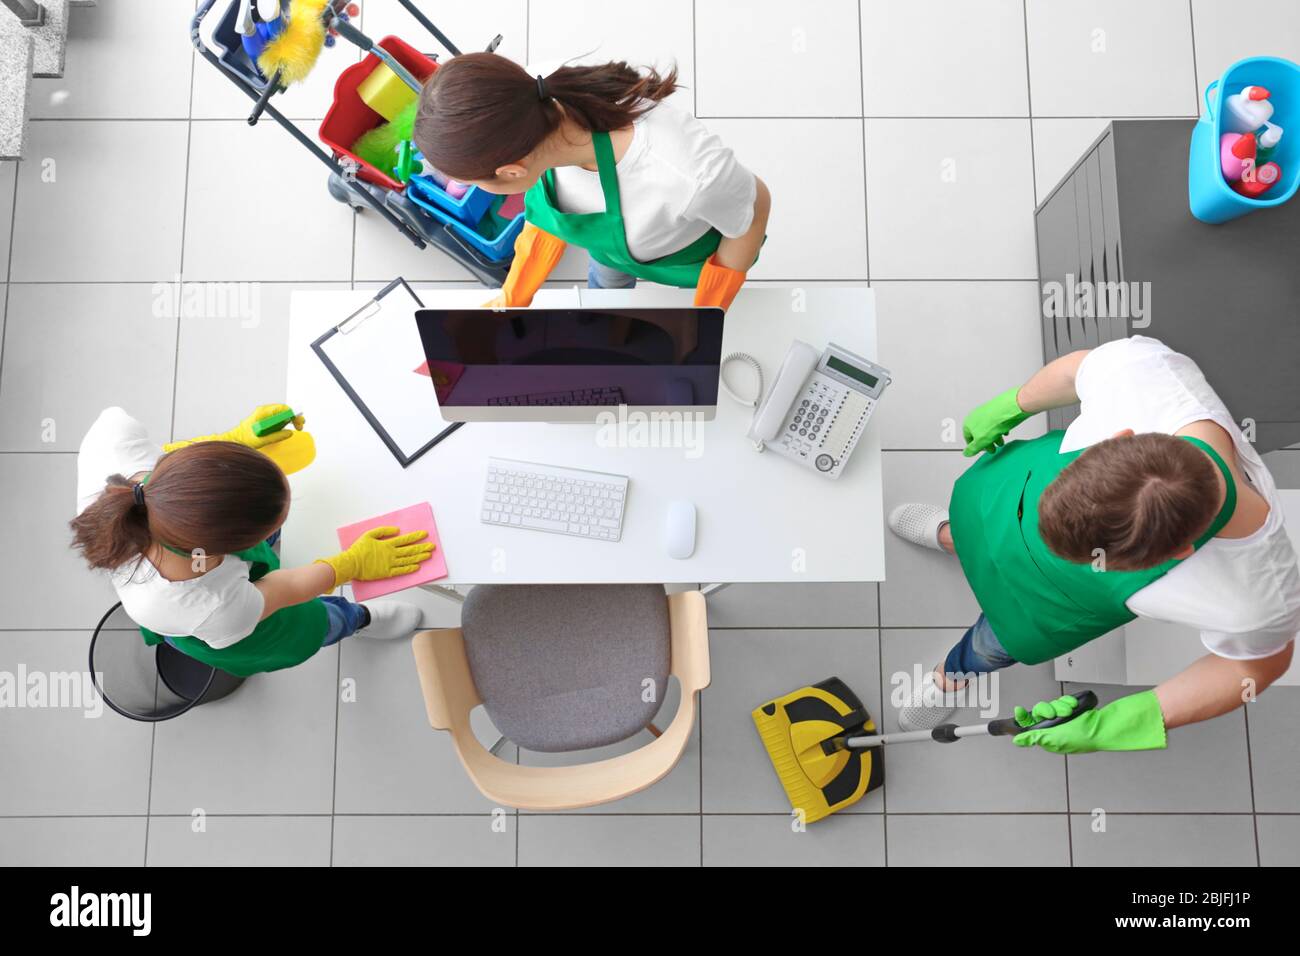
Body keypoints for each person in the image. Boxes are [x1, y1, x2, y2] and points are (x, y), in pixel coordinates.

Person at [888, 336, 1299, 753]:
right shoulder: (1148, 372)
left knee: (989, 645)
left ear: (1179, 553)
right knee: (978, 530)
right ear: (1118, 438)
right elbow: (1078, 369)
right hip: (1010, 500)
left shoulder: (1261, 599)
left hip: (1047, 606)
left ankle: (952, 674)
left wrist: (1126, 722)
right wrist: (1017, 402)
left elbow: (1256, 665)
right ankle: (956, 537)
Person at [69, 406, 435, 677]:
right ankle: (356, 619)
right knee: (317, 621)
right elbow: (286, 587)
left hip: (192, 547)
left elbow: (173, 460)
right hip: (223, 624)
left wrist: (236, 441)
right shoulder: (212, 606)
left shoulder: (114, 437)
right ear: (228, 547)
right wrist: (350, 565)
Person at [412, 53, 769, 311]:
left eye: (474, 182)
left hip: (678, 255)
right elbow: (549, 220)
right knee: (606, 287)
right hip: (610, 250)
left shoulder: (685, 173)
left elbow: (755, 209)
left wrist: (707, 315)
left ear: (511, 171)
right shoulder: (527, 106)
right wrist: (512, 299)